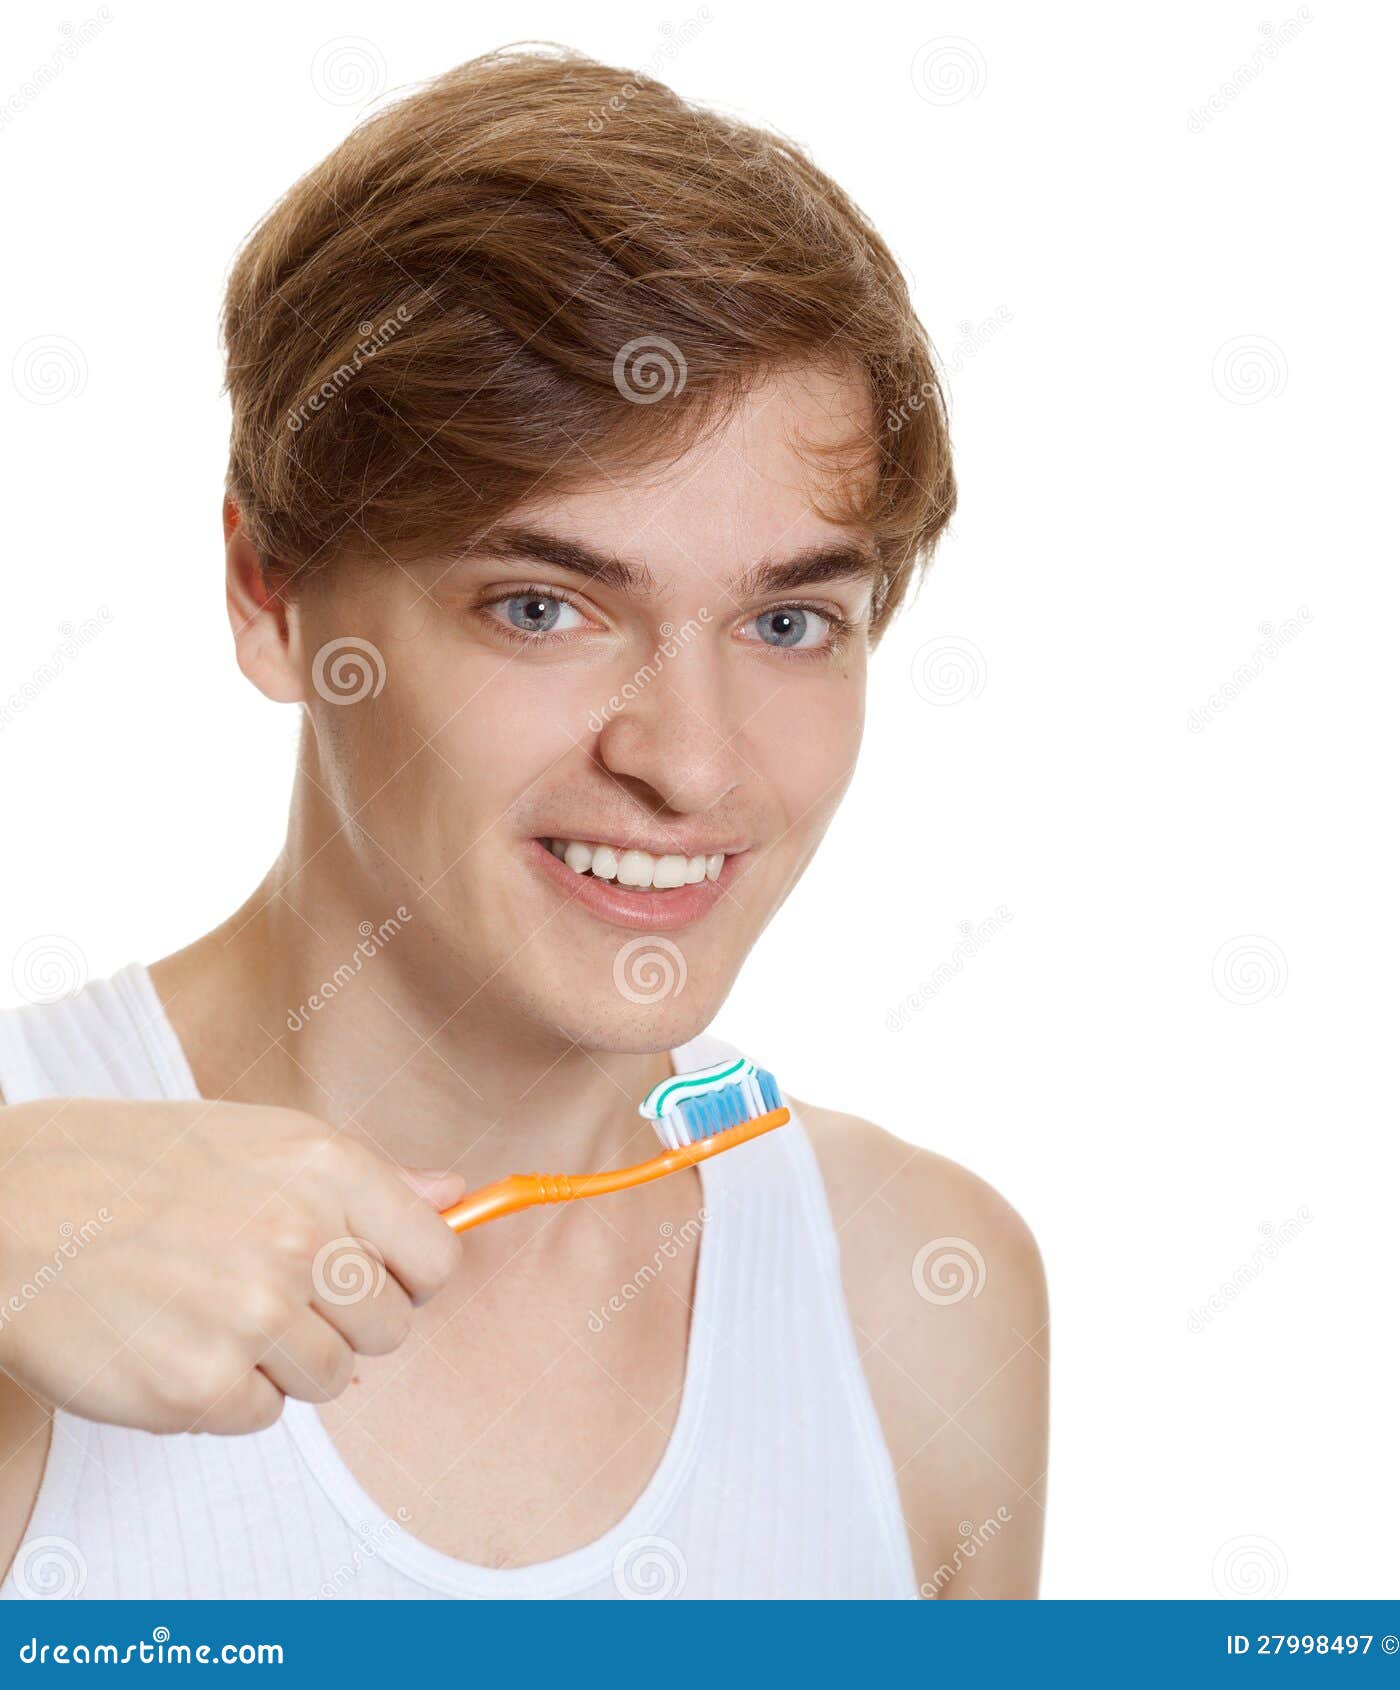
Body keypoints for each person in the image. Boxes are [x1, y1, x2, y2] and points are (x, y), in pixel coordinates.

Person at [0, 42, 1047, 1600]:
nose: (692, 765)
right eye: (544, 604)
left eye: (787, 623)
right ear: (269, 592)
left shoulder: (921, 1299)